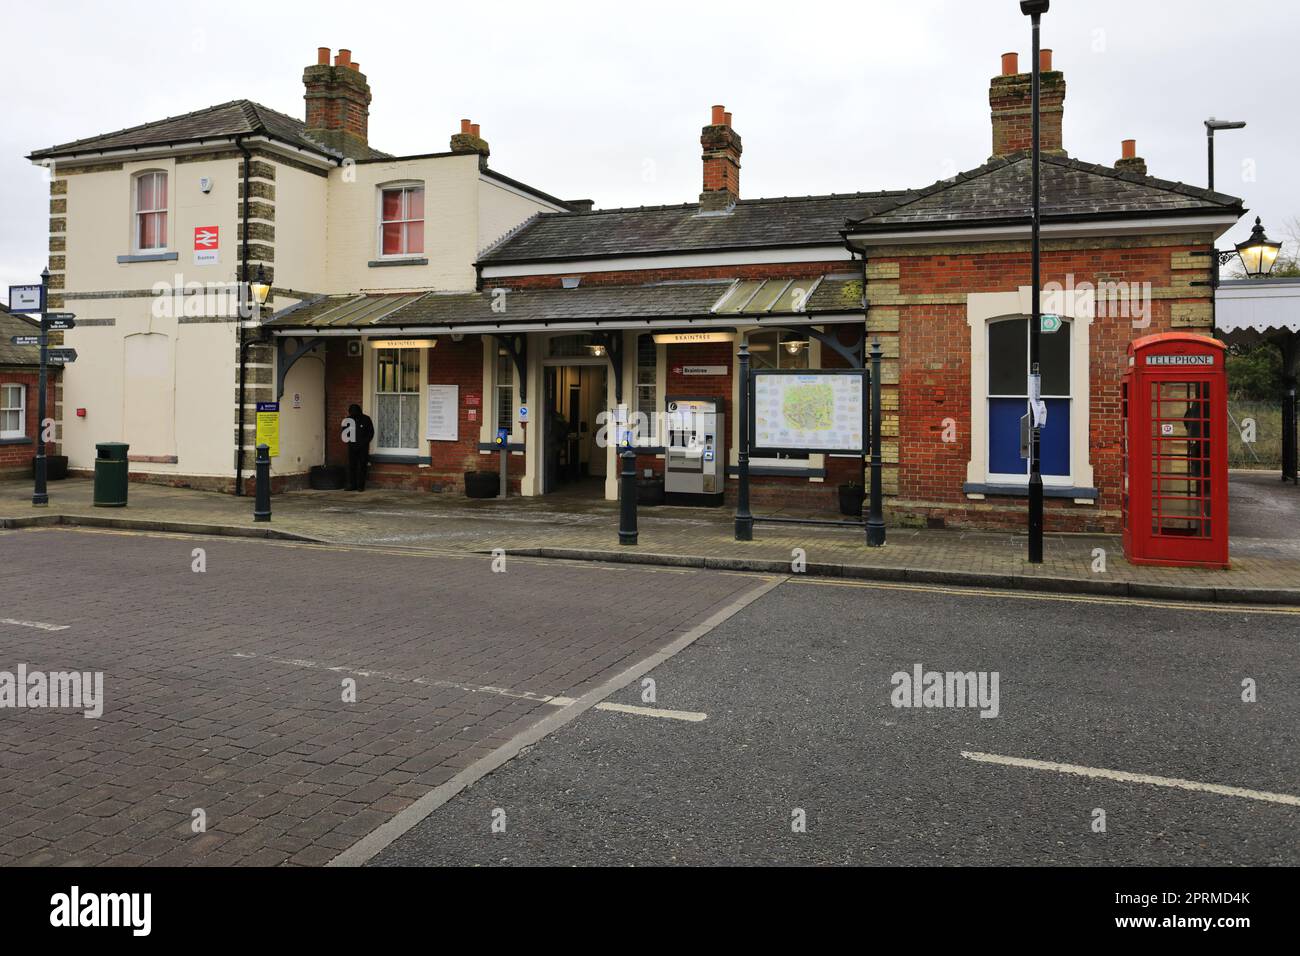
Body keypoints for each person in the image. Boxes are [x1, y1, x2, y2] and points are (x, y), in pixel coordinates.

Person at [344, 403, 375, 492]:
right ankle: (352, 485)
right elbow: (345, 433)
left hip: (363, 447)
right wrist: (351, 443)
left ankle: (360, 486)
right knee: (351, 466)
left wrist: (364, 443)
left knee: (362, 466)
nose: (353, 414)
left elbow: (370, 433)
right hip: (352, 447)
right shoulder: (348, 420)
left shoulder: (366, 419)